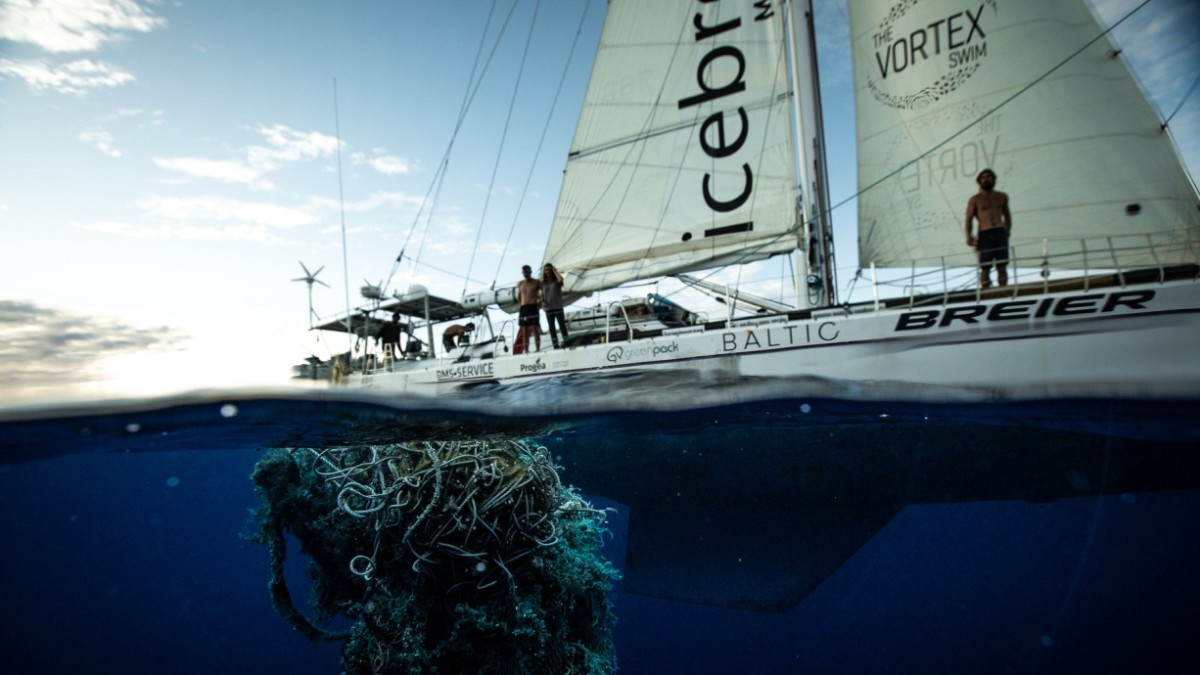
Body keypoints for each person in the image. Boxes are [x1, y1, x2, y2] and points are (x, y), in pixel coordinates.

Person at [965, 168, 1012, 288]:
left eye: (989, 176)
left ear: (994, 179)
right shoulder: (975, 199)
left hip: (1000, 232)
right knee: (985, 266)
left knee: (1002, 265)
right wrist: (968, 235)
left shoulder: (1002, 196)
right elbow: (969, 218)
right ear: (979, 181)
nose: (986, 179)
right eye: (984, 177)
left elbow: (1007, 214)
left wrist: (1007, 230)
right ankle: (985, 289)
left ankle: (1003, 288)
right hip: (985, 233)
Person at [540, 263, 569, 349]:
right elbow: (542, 294)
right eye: (546, 270)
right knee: (552, 328)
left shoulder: (556, 280)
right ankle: (555, 346)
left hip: (557, 307)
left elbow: (561, 280)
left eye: (550, 269)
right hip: (548, 308)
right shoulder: (543, 283)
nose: (548, 271)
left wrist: (555, 271)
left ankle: (567, 343)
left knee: (562, 326)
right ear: (544, 272)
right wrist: (542, 302)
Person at [516, 264, 542, 352]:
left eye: (527, 271)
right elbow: (519, 295)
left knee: (535, 328)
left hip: (533, 306)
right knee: (525, 330)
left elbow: (544, 291)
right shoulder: (520, 283)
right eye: (524, 271)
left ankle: (537, 348)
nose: (526, 273)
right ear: (522, 273)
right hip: (524, 308)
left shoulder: (536, 282)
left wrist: (541, 301)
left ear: (531, 271)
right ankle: (526, 349)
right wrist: (520, 305)